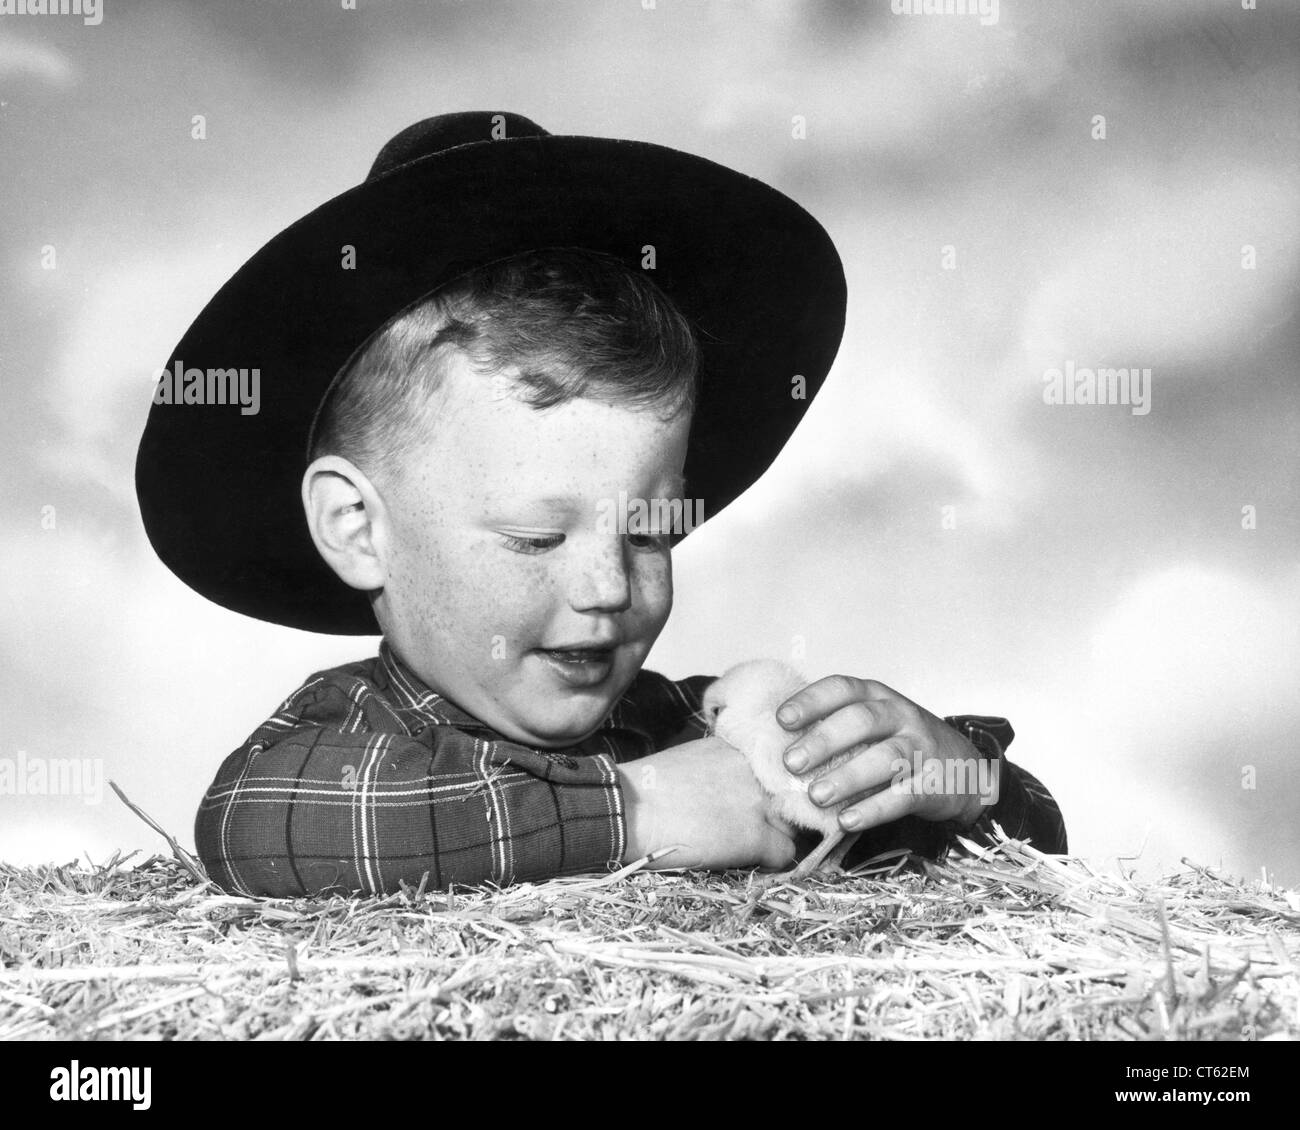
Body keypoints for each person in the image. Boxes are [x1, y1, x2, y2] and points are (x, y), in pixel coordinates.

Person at [136, 112, 1066, 897]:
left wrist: (955, 777)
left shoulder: (689, 727)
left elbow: (1036, 853)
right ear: (357, 527)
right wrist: (648, 811)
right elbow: (255, 827)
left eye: (652, 529)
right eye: (538, 535)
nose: (607, 586)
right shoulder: (347, 741)